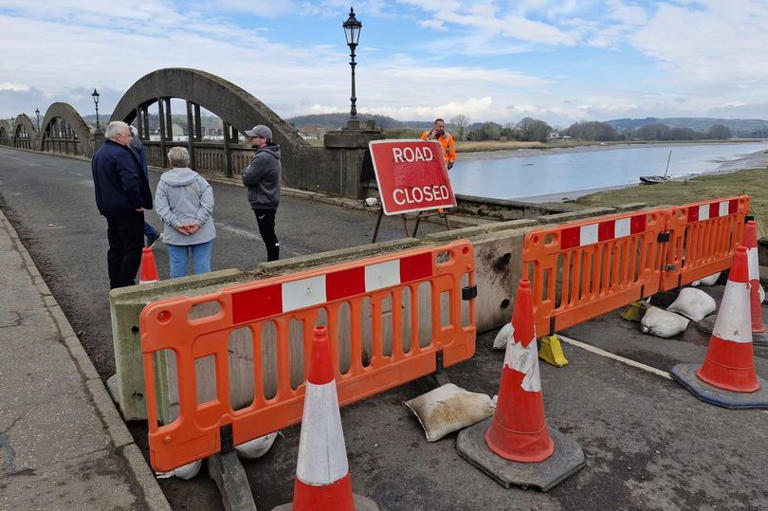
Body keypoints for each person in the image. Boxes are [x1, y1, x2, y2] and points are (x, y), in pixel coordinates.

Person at [91, 121, 153, 289]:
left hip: (109, 209)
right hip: (127, 209)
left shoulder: (100, 153)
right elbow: (130, 181)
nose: (131, 139)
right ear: (118, 137)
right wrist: (137, 203)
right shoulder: (121, 154)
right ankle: (126, 285)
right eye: (128, 135)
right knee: (133, 249)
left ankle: (116, 285)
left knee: (116, 248)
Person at [154, 146, 216, 278]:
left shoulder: (164, 183)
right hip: (202, 231)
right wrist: (197, 223)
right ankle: (204, 296)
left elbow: (161, 208)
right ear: (188, 161)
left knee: (177, 268)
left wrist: (176, 224)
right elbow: (207, 205)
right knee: (203, 267)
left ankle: (180, 296)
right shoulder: (200, 181)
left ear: (170, 162)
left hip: (176, 233)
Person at [242, 124, 281, 261]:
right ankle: (274, 262)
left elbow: (247, 179)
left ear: (264, 139)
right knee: (269, 234)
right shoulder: (270, 154)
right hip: (269, 199)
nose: (251, 139)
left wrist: (245, 170)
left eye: (254, 137)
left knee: (268, 235)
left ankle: (273, 264)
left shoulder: (263, 157)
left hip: (263, 201)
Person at [129, 126, 161, 247]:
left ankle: (151, 233)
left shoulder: (131, 146)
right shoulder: (138, 144)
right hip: (141, 183)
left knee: (130, 215)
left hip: (135, 185)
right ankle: (149, 234)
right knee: (132, 214)